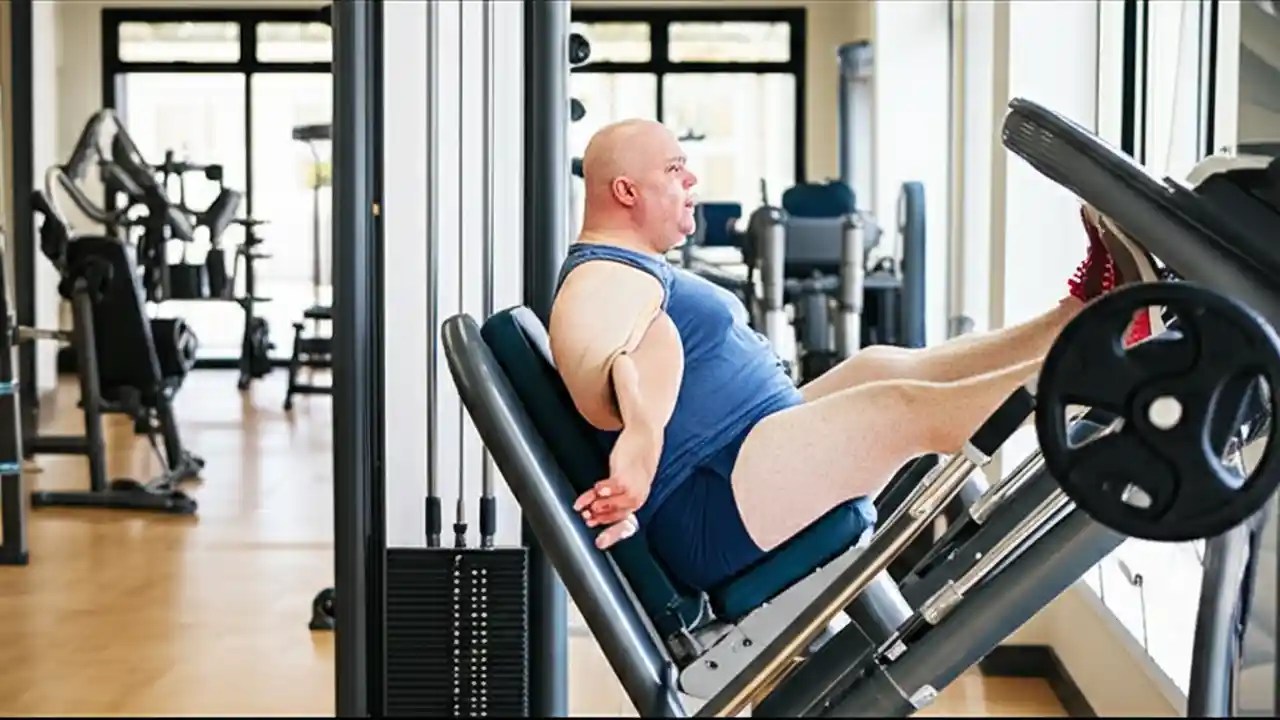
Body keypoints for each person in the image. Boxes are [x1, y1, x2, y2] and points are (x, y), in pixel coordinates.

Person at [548, 118, 1163, 593]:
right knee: (893, 407)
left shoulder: (631, 268)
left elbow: (653, 346)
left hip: (736, 455)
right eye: (675, 169)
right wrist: (642, 438)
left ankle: (1080, 317)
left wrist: (645, 413)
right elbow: (600, 361)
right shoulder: (600, 276)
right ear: (626, 190)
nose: (692, 181)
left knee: (882, 366)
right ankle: (1112, 358)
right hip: (708, 501)